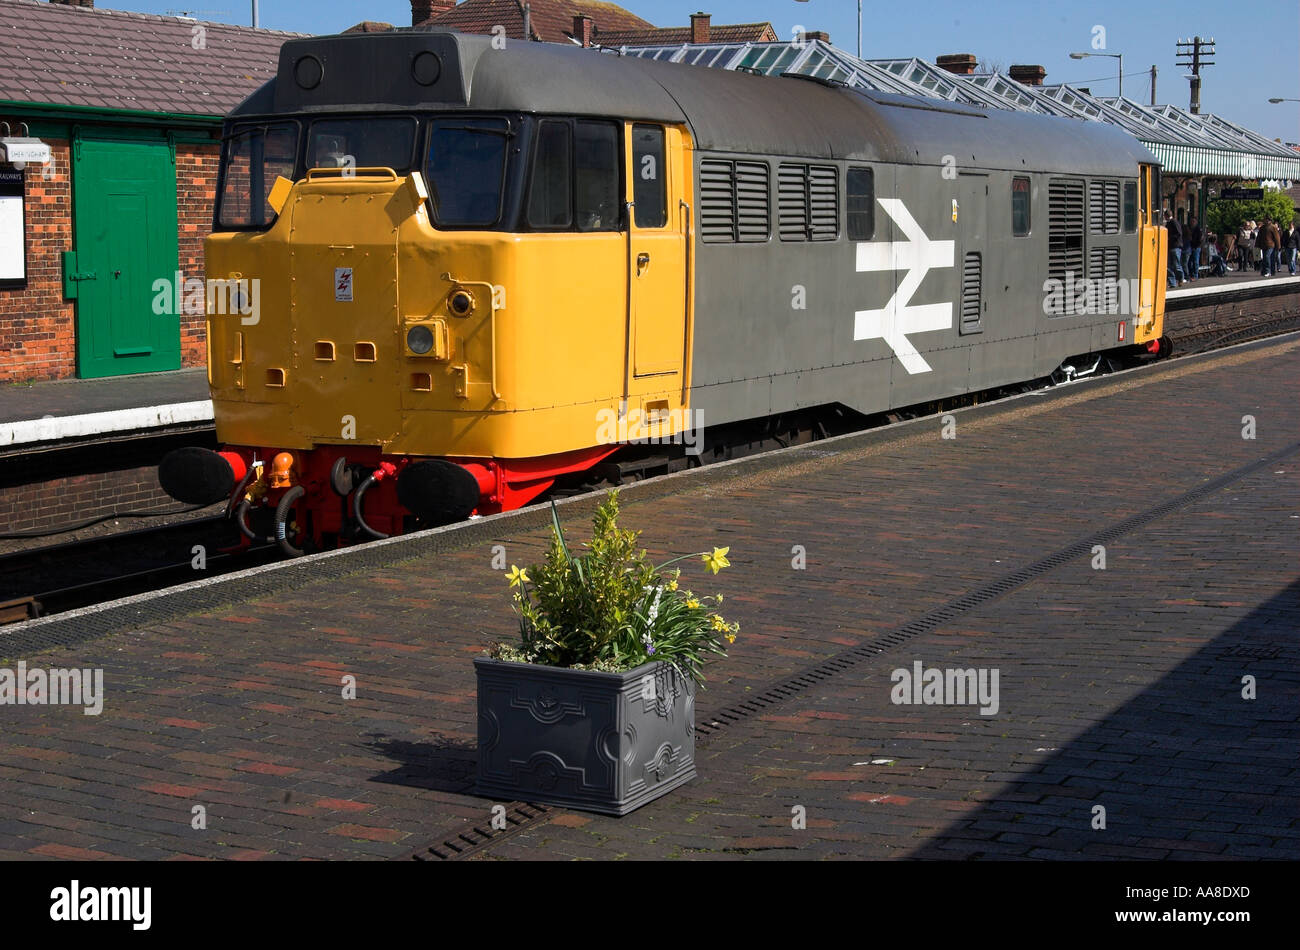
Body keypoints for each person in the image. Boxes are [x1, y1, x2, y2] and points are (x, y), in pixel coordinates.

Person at [1164, 210, 1185, 286]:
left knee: (1176, 264)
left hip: (1175, 246)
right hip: (1170, 247)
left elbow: (1179, 233)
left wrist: (1169, 238)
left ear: (1166, 216)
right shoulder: (1169, 223)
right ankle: (1172, 282)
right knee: (1169, 265)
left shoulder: (1174, 222)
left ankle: (1180, 279)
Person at [1186, 215, 1202, 280]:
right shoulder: (1189, 228)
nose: (1192, 223)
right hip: (1190, 247)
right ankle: (1191, 274)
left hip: (1196, 247)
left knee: (1195, 261)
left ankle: (1195, 275)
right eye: (1191, 221)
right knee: (1190, 262)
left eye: (1193, 221)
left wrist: (1196, 245)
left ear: (1196, 222)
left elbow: (1200, 239)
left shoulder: (1198, 229)